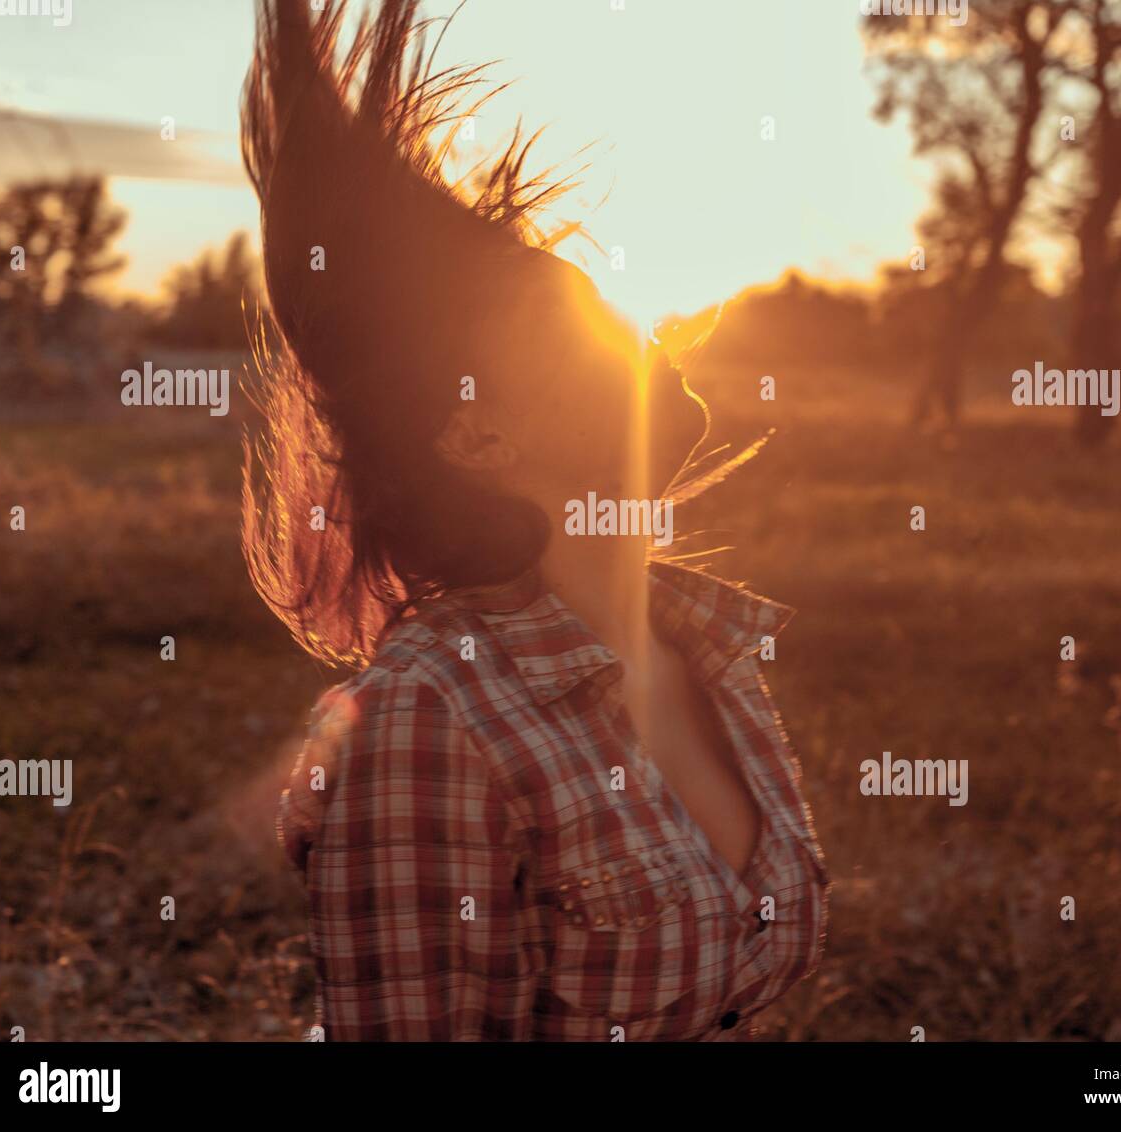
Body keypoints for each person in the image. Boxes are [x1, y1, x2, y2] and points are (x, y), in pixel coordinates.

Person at [241, 0, 829, 1040]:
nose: (632, 332)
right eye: (566, 323)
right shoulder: (431, 722)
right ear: (476, 440)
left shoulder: (705, 645)